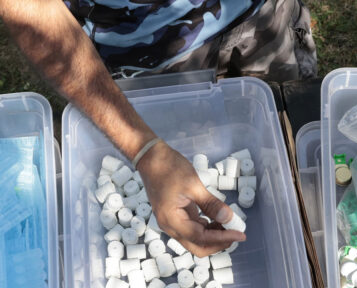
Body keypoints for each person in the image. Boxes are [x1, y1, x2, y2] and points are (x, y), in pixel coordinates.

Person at [0, 0, 316, 257]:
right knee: (189, 144)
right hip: (146, 54)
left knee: (284, 124)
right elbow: (31, 8)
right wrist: (147, 152)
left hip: (264, 14)